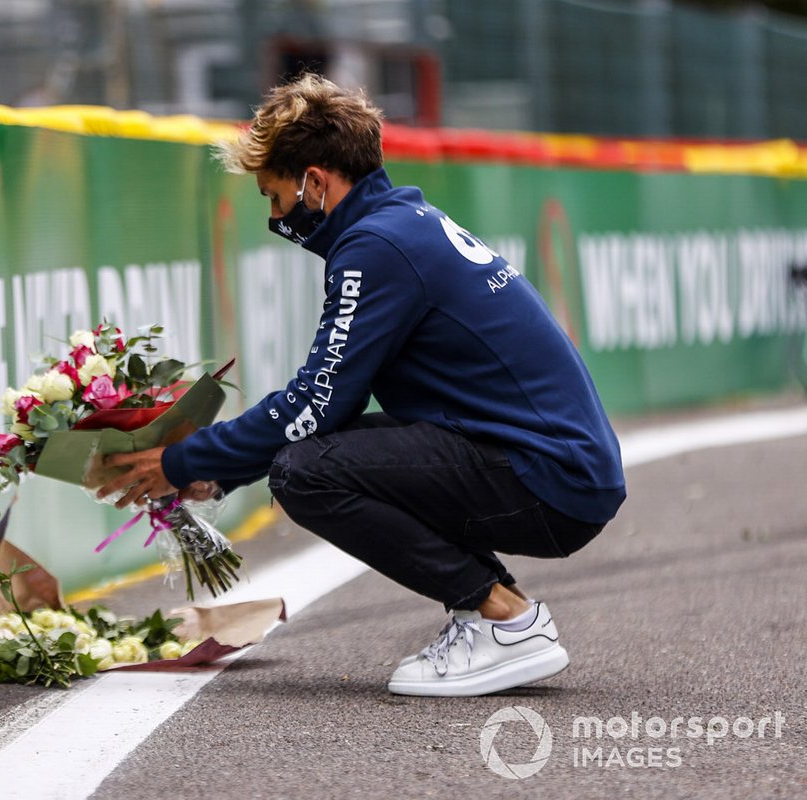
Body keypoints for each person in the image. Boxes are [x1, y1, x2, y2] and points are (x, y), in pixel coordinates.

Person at [98, 74, 625, 697]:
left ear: (315, 183)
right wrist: (222, 471)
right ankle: (496, 614)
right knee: (325, 456)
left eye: (274, 197)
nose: (274, 218)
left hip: (551, 479)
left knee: (306, 470)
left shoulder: (375, 246)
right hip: (556, 467)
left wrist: (183, 458)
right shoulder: (401, 223)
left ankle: (500, 620)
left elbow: (317, 402)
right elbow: (334, 409)